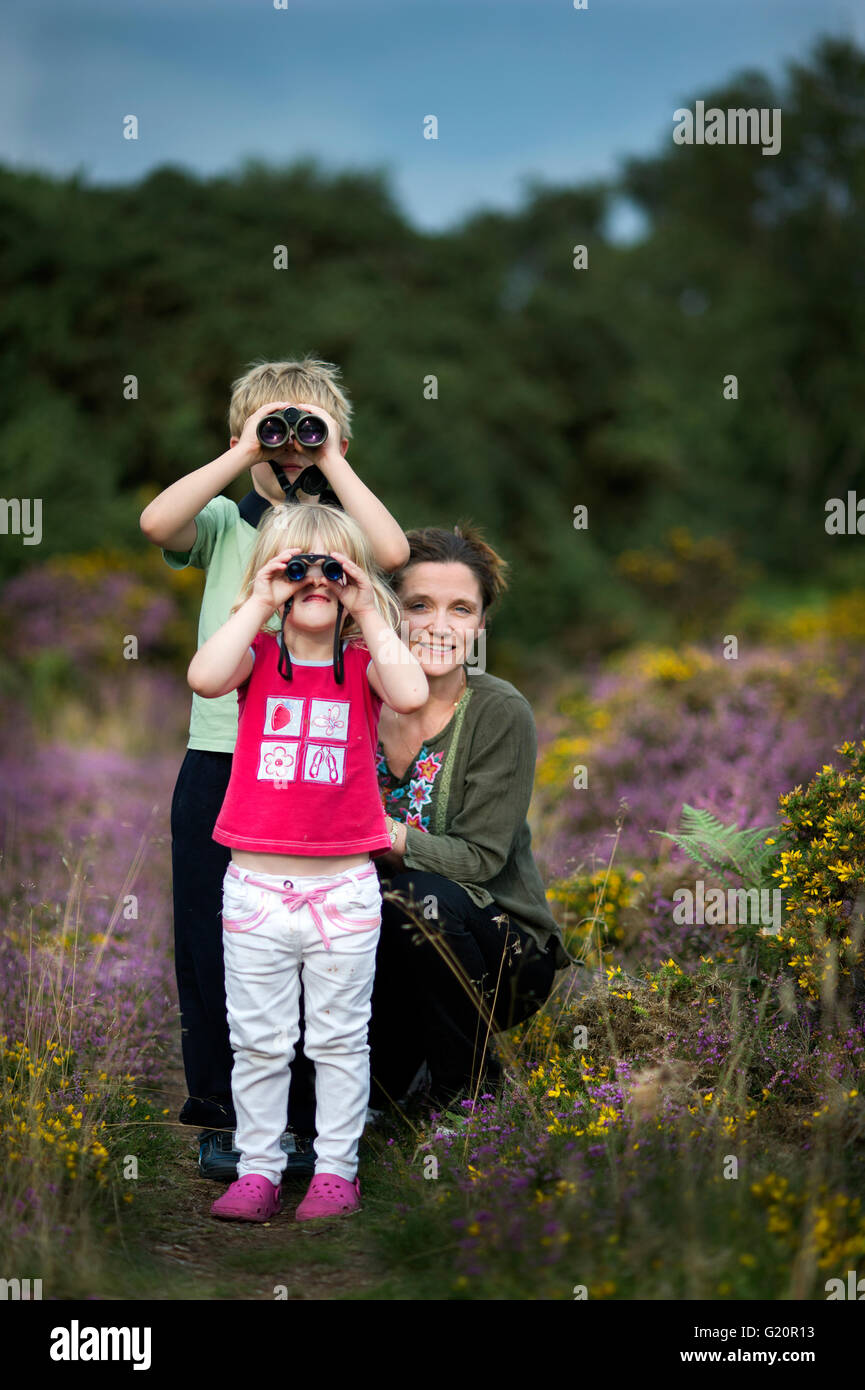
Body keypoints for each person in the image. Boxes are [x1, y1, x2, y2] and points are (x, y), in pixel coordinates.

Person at [139, 359, 409, 1179]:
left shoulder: (336, 539)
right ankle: (226, 1116)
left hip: (313, 768)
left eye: (306, 431)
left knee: (315, 947)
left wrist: (328, 461)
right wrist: (242, 453)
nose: (289, 447)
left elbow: (392, 550)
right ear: (243, 436)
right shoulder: (224, 520)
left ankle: (307, 1124)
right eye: (274, 432)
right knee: (214, 941)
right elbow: (158, 523)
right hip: (222, 753)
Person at [187, 502, 427, 1221]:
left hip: (342, 891)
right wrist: (261, 597)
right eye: (296, 568)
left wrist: (370, 609)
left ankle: (335, 1172)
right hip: (255, 887)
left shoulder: (361, 665)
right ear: (270, 575)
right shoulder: (255, 658)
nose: (312, 580)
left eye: (331, 567)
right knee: (257, 1042)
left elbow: (412, 693)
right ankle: (258, 1170)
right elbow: (203, 676)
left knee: (337, 1040)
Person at [369, 523, 573, 1114]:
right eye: (418, 605)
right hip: (370, 940)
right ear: (386, 610)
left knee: (417, 896)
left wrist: (383, 837)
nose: (439, 625)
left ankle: (470, 1093)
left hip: (499, 949)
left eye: (461, 609)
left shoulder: (498, 710)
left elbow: (482, 859)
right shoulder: (355, 696)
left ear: (480, 626)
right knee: (366, 1100)